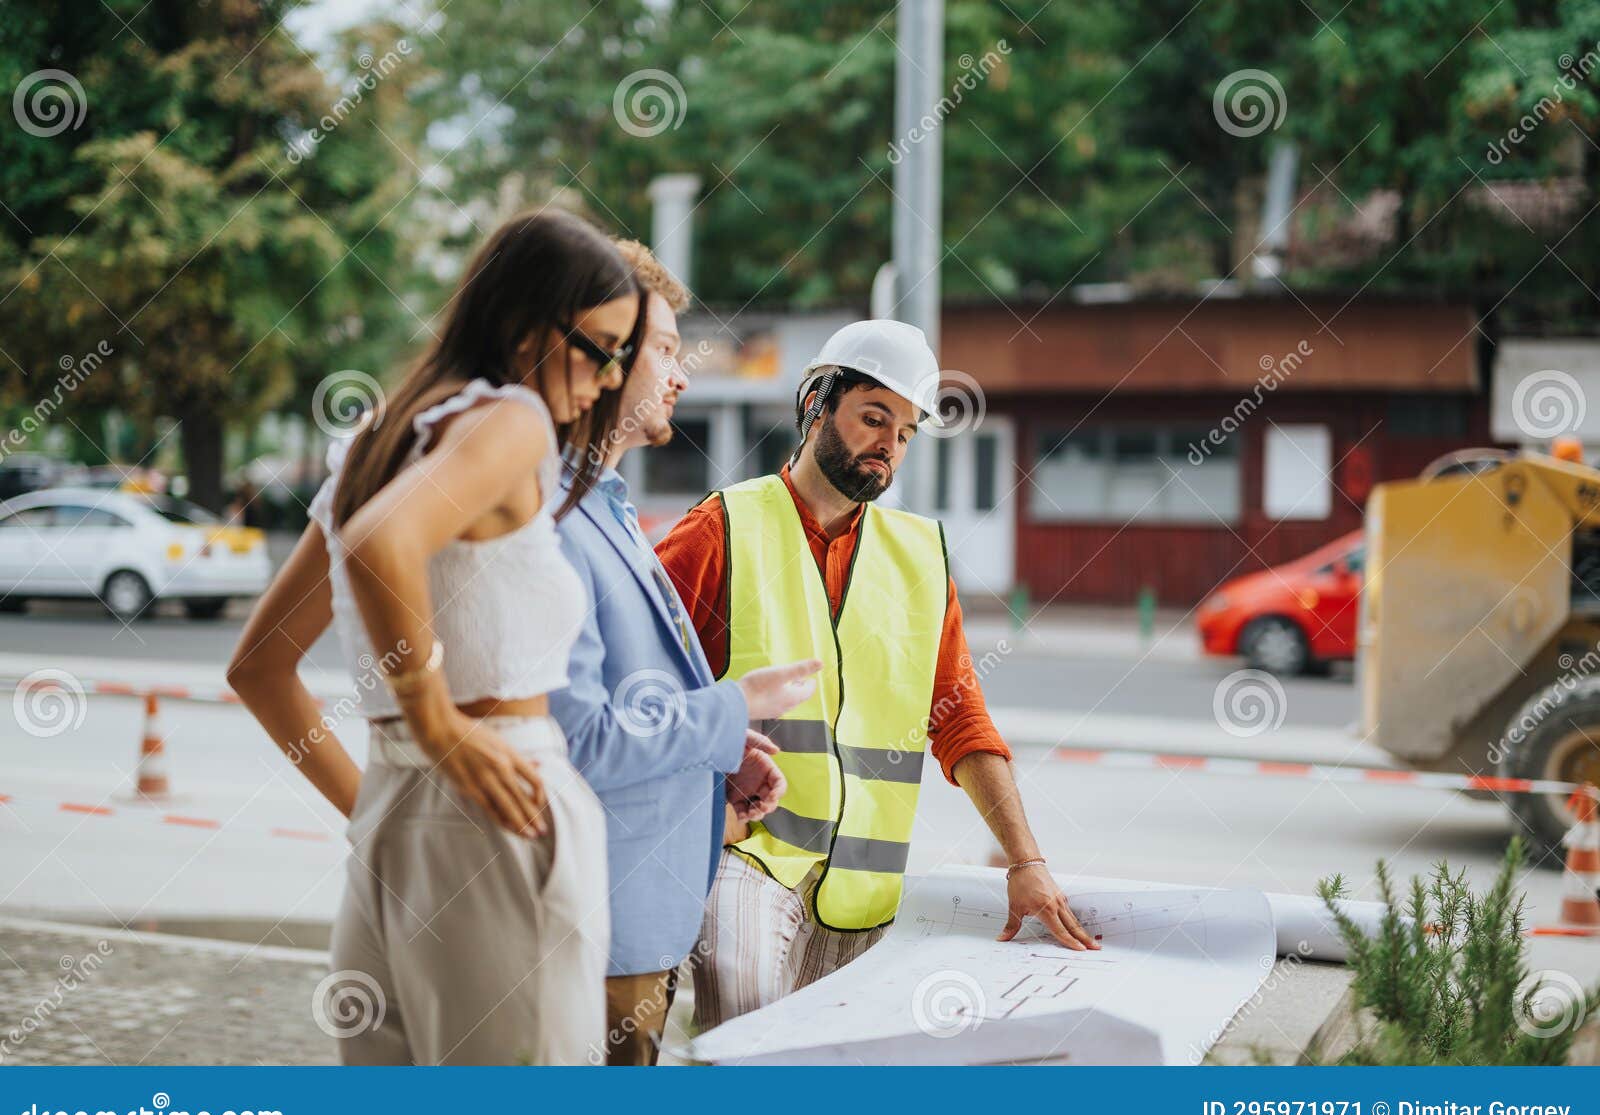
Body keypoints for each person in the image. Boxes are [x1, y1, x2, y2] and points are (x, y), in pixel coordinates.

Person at [227, 208, 642, 1065]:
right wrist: (441, 726)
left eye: (623, 356)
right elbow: (387, 543)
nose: (607, 378)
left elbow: (261, 669)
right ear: (525, 322)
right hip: (496, 794)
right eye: (599, 346)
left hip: (394, 817)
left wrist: (387, 802)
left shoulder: (374, 442)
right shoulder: (513, 419)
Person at [657, 319, 1102, 1032]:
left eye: (905, 430)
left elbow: (959, 720)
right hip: (747, 860)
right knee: (745, 1021)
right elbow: (646, 698)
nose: (888, 444)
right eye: (873, 417)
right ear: (814, 406)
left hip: (864, 892)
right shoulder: (720, 529)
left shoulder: (919, 556)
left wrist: (1024, 861)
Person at [547, 239, 818, 1065]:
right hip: (599, 929)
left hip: (641, 920)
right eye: (664, 349)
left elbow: (631, 695)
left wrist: (718, 755)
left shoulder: (607, 505)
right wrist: (732, 708)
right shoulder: (549, 517)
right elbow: (577, 742)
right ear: (600, 355)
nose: (681, 374)